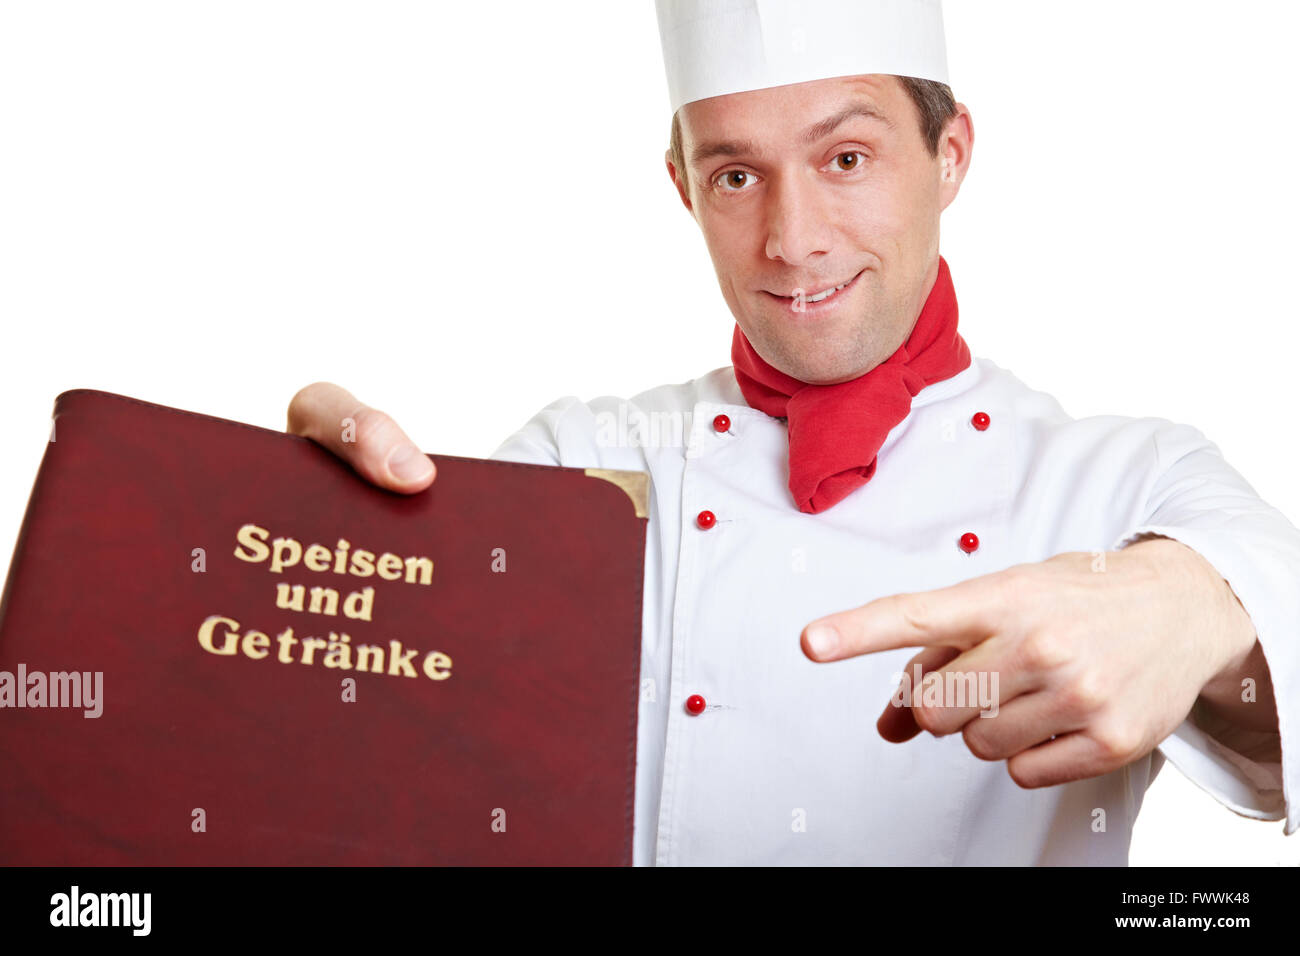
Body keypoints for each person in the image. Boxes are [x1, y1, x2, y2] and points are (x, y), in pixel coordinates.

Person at [285, 0, 1297, 864]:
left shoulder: (1126, 481)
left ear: (949, 156)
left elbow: (1271, 633)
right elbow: (367, 735)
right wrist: (291, 536)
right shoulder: (584, 461)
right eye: (735, 175)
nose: (792, 236)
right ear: (683, 186)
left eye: (845, 157)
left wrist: (1200, 609)